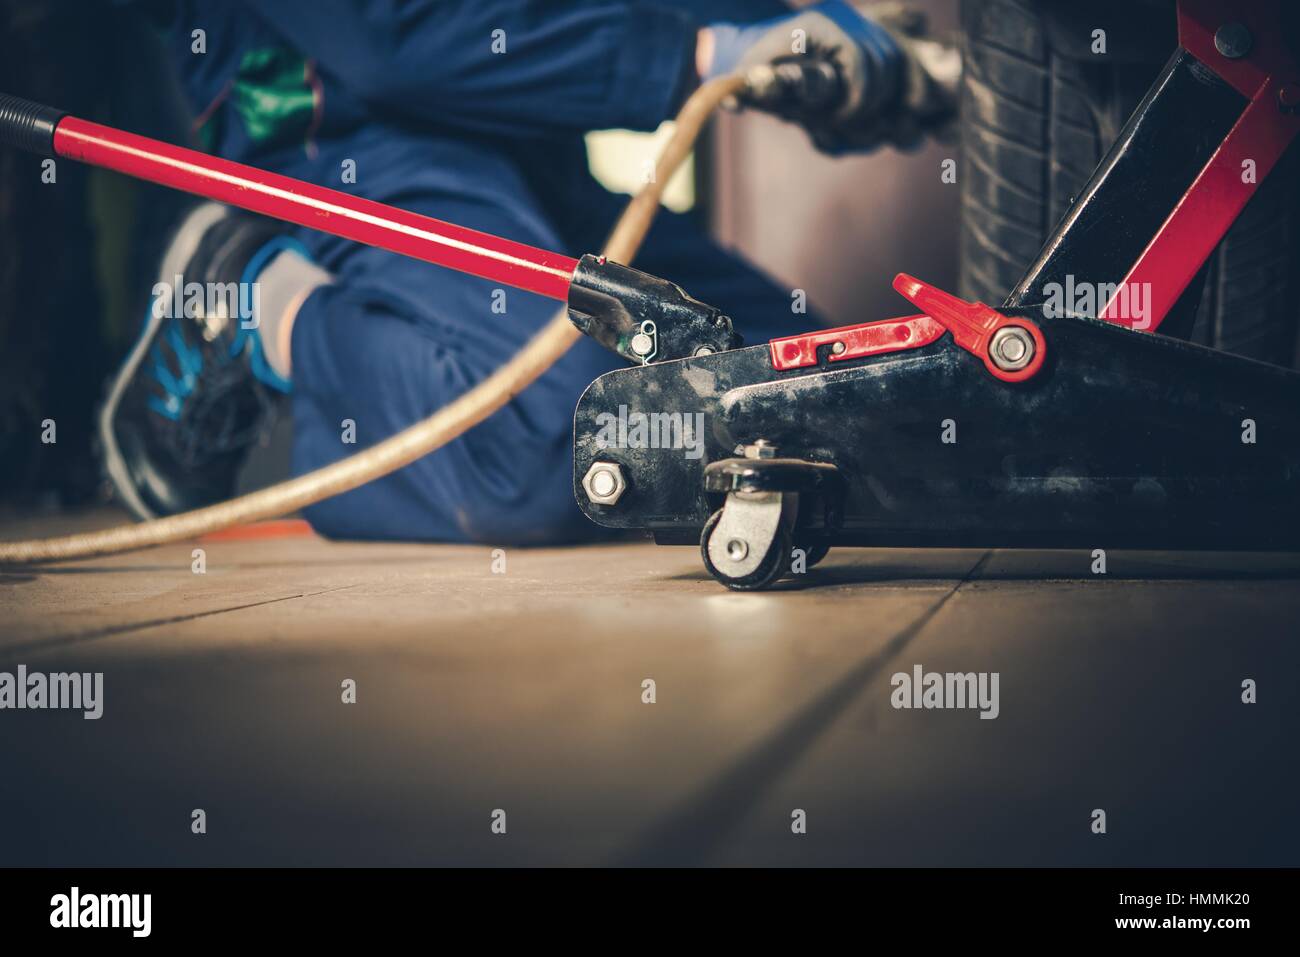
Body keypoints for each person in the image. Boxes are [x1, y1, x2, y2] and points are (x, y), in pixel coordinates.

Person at [101, 0, 957, 544]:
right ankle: (259, 304)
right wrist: (701, 54)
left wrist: (793, 39)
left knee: (821, 392)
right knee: (570, 445)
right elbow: (385, 33)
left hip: (519, 132)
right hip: (344, 144)